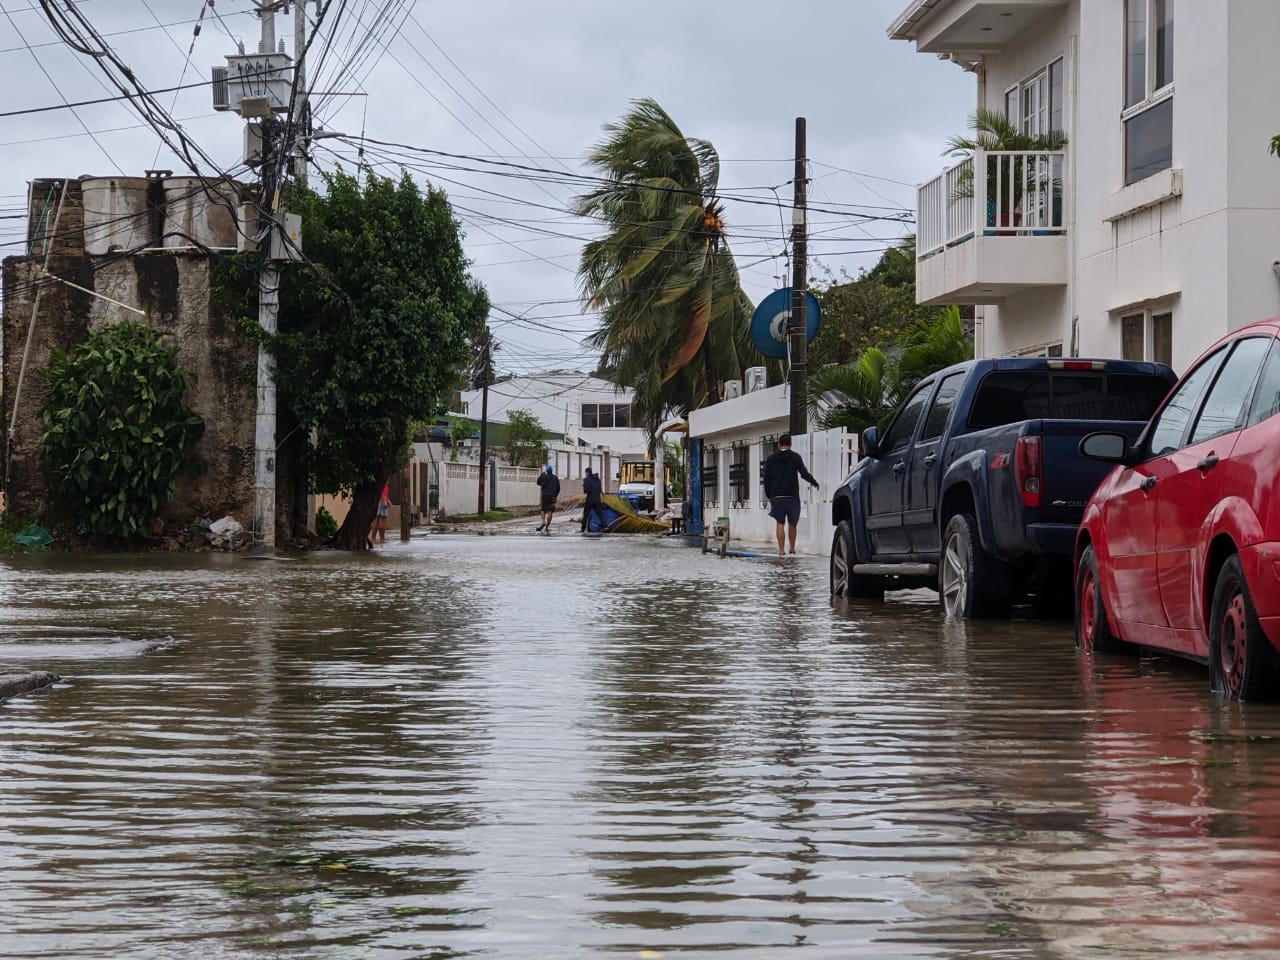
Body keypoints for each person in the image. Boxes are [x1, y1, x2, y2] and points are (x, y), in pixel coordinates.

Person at [762, 433, 819, 556]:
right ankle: (792, 549)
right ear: (790, 445)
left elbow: (766, 479)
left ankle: (781, 550)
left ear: (778, 444)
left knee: (780, 523)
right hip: (792, 496)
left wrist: (769, 495)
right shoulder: (795, 457)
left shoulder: (771, 459)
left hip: (777, 496)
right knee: (792, 523)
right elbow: (804, 473)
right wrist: (815, 483)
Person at [580, 467, 608, 533]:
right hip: (597, 500)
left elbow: (587, 490)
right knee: (600, 514)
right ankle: (605, 526)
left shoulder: (586, 479)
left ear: (587, 472)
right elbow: (600, 490)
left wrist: (584, 486)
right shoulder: (598, 480)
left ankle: (582, 529)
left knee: (585, 515)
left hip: (590, 500)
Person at [535, 463, 560, 534]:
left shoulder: (544, 476)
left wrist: (542, 474)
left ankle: (543, 522)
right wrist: (555, 495)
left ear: (547, 470)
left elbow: (538, 482)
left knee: (543, 510)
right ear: (552, 471)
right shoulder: (555, 478)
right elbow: (558, 488)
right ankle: (547, 527)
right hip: (553, 497)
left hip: (545, 496)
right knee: (550, 511)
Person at [369, 480, 390, 546]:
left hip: (377, 500)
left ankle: (373, 538)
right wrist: (384, 501)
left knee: (376, 519)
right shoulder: (383, 483)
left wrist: (387, 500)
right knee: (382, 520)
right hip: (382, 501)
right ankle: (382, 538)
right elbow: (382, 493)